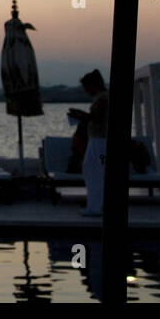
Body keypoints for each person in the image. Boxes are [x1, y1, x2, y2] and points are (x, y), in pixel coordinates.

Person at [67, 69, 108, 216]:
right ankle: (95, 205)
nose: (85, 91)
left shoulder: (102, 99)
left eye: (86, 88)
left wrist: (79, 114)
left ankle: (95, 208)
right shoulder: (102, 98)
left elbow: (96, 118)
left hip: (99, 141)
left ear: (92, 85)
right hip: (98, 140)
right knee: (93, 172)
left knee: (93, 173)